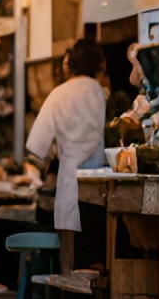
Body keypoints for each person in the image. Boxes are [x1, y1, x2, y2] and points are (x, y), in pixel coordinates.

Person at [25, 39, 107, 232]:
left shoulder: (58, 94)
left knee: (70, 256)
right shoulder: (100, 93)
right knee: (96, 252)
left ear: (70, 63)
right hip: (99, 184)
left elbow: (37, 145)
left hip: (70, 184)